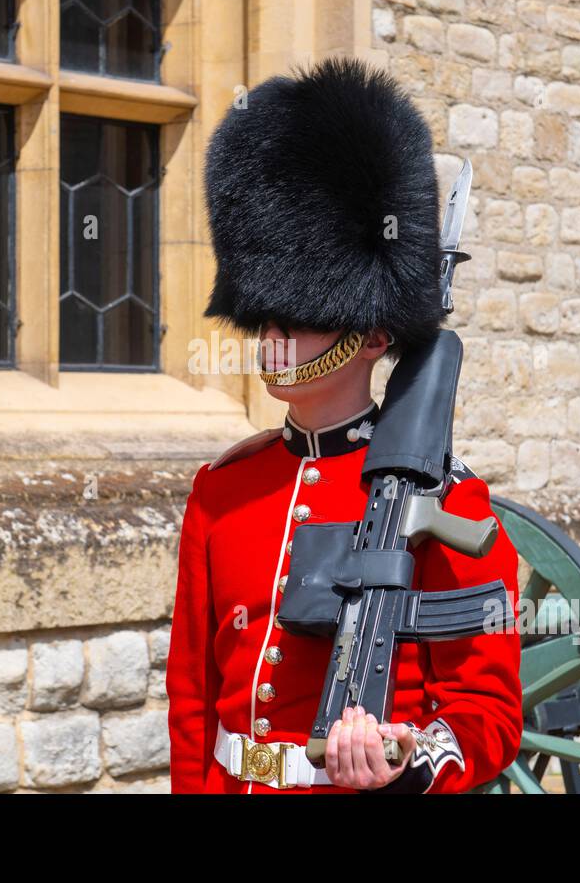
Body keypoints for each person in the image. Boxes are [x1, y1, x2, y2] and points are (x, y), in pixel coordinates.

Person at [166, 56, 522, 794]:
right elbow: (194, 708)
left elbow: (486, 712)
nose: (273, 340)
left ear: (374, 334)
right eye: (265, 317)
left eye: (297, 319)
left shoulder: (451, 503)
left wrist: (409, 757)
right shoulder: (222, 492)